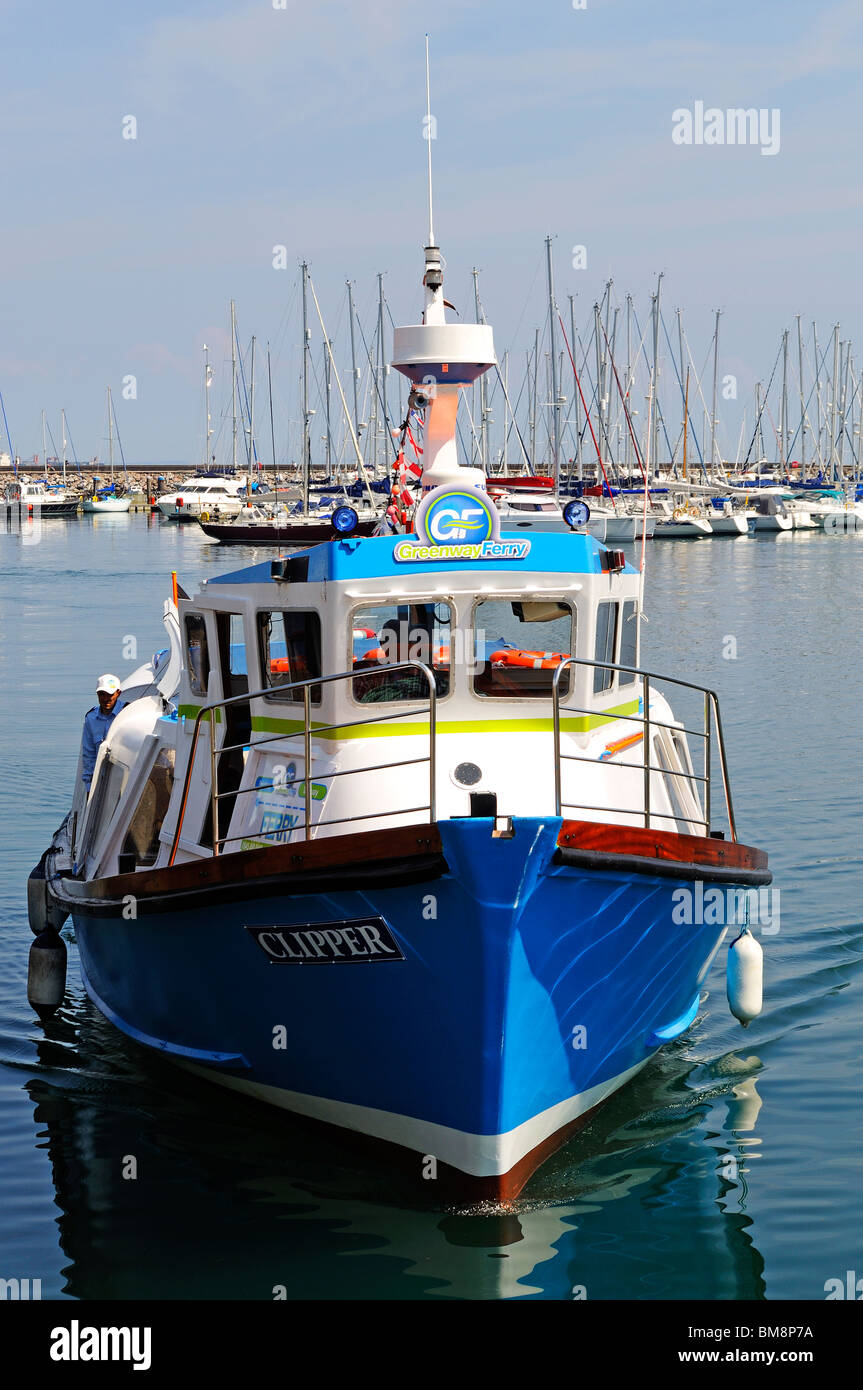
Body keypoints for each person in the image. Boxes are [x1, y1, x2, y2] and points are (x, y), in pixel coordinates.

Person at [81, 675, 126, 788]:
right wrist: (89, 786)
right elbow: (89, 755)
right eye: (102, 694)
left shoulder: (128, 713)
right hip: (101, 781)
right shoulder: (90, 718)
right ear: (97, 694)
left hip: (123, 779)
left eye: (110, 695)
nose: (106, 699)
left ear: (118, 693)